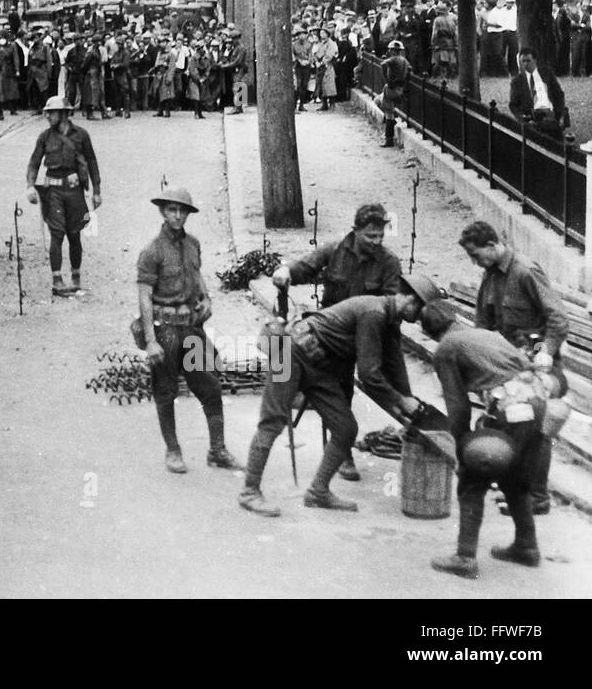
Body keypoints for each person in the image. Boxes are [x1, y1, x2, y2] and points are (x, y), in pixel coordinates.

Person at [238, 274, 440, 516]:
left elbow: (394, 365)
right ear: (409, 299)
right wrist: (399, 401)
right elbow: (369, 375)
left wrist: (409, 402)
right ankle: (249, 492)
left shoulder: (390, 320)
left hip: (319, 364)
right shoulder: (374, 313)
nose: (419, 318)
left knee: (345, 429)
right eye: (420, 309)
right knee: (272, 421)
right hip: (290, 352)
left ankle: (318, 491)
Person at [271, 203, 403, 481]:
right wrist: (286, 272)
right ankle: (344, 452)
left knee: (385, 383)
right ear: (355, 231)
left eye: (380, 236)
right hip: (335, 336)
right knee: (340, 390)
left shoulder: (389, 262)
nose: (376, 242)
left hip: (371, 334)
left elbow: (392, 305)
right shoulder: (334, 251)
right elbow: (305, 268)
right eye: (370, 236)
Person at [419, 299, 551, 579]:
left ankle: (465, 557)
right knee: (515, 479)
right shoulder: (485, 334)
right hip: (536, 402)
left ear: (429, 333)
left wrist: (460, 449)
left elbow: (458, 408)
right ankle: (526, 546)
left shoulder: (446, 349)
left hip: (510, 407)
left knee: (473, 476)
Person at [458, 220, 566, 516]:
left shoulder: (525, 271)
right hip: (507, 368)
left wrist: (546, 352)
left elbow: (558, 319)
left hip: (539, 367)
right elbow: (483, 324)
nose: (475, 261)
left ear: (492, 245)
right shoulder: (489, 277)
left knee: (537, 425)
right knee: (505, 422)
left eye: (477, 254)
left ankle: (537, 497)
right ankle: (517, 490)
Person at [137, 187, 241, 474]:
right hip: (166, 331)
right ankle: (173, 450)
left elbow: (197, 276)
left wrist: (206, 298)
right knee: (165, 390)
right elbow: (144, 296)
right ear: (162, 211)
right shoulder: (152, 251)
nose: (178, 215)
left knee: (209, 386)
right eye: (172, 209)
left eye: (182, 210)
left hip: (191, 328)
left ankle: (217, 450)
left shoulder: (193, 244)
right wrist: (150, 341)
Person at [25, 96, 102, 296]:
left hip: (75, 191)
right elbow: (34, 163)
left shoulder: (81, 135)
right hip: (53, 192)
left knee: (75, 234)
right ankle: (57, 279)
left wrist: (97, 191)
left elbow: (92, 162)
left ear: (64, 114)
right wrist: (30, 186)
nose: (47, 116)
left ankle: (76, 276)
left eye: (51, 112)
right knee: (57, 235)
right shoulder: (44, 137)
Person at [508, 47, 568, 139]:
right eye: (522, 61)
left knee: (556, 141)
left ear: (535, 60)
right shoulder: (517, 82)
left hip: (551, 114)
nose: (525, 64)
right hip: (533, 117)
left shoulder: (547, 73)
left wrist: (559, 113)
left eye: (528, 61)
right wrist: (522, 118)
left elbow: (559, 94)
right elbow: (513, 105)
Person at [379, 39, 409, 147]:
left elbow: (382, 65)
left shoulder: (392, 60)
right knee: (385, 107)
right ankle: (390, 124)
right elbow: (409, 70)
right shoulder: (404, 61)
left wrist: (387, 80)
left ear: (391, 50)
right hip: (400, 88)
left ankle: (389, 139)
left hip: (391, 88)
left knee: (388, 112)